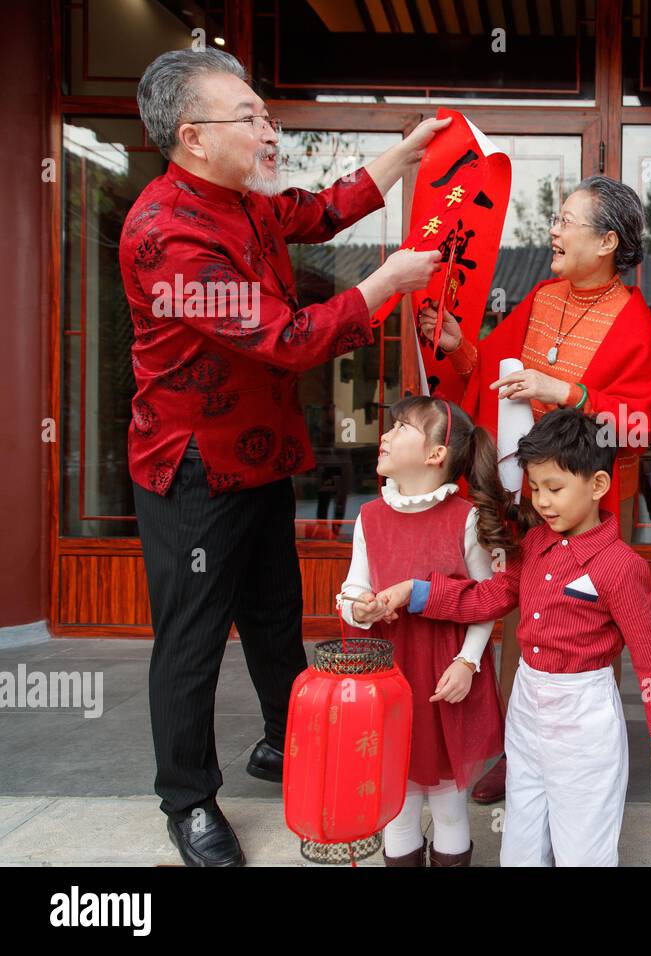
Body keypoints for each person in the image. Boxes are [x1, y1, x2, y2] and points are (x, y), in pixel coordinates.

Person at [123, 48, 447, 866]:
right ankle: (189, 800)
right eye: (252, 118)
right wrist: (387, 285)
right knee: (193, 637)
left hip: (262, 452)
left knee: (272, 610)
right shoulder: (165, 234)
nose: (270, 130)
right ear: (193, 138)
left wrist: (403, 156)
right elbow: (287, 340)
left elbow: (323, 209)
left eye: (267, 115)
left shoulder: (248, 201)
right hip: (191, 464)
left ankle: (281, 741)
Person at [428, 176, 651, 803]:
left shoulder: (634, 322)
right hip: (522, 493)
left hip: (582, 505)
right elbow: (495, 371)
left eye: (566, 221)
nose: (553, 232)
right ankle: (518, 751)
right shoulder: (541, 294)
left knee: (581, 625)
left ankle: (587, 753)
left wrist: (570, 394)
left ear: (608, 241)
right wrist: (460, 349)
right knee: (518, 615)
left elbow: (644, 424)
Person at [374, 409, 651, 866]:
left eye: (555, 489)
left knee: (583, 839)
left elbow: (648, 653)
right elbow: (487, 598)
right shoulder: (535, 546)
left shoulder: (620, 566)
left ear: (597, 486)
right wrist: (418, 593)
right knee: (521, 831)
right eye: (536, 488)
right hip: (526, 704)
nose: (542, 502)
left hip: (583, 713)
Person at [337, 396, 512, 866]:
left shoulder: (465, 519)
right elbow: (353, 586)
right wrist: (361, 609)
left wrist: (467, 662)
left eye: (401, 428)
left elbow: (486, 600)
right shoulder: (369, 517)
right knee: (397, 804)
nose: (387, 435)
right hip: (389, 676)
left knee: (449, 805)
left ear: (436, 455)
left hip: (443, 681)